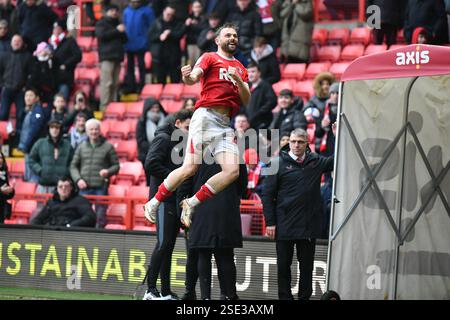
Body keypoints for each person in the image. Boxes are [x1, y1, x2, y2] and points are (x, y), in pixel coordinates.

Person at [144, 23, 250, 228]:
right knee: (190, 168)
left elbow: (246, 99)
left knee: (232, 172)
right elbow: (193, 79)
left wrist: (239, 81)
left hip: (225, 124)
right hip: (205, 117)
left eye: (235, 35)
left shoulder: (240, 68)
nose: (232, 38)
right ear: (218, 40)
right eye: (228, 35)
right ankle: (154, 202)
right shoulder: (210, 57)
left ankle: (191, 202)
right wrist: (186, 76)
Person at [262, 127, 335, 300]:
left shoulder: (315, 161)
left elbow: (335, 160)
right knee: (283, 267)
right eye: (293, 141)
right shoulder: (276, 163)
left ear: (307, 143)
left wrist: (336, 136)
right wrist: (270, 222)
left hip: (308, 225)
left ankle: (304, 298)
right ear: (289, 143)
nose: (296, 145)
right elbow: (267, 195)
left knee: (307, 268)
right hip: (284, 224)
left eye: (300, 142)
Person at [177, 158, 247, 300]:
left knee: (203, 254)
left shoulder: (196, 153)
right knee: (226, 255)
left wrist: (182, 215)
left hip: (201, 208)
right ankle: (229, 296)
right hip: (226, 208)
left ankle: (205, 297)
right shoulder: (233, 152)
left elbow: (184, 185)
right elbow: (242, 183)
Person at [142, 109, 192, 300]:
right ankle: (150, 289)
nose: (190, 130)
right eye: (187, 126)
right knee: (163, 243)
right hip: (162, 198)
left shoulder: (181, 142)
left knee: (169, 245)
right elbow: (151, 163)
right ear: (178, 123)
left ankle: (165, 290)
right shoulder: (164, 138)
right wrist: (173, 178)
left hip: (172, 198)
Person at [69, 118, 120, 228]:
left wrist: (108, 171)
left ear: (100, 130)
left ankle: (99, 239)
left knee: (100, 217)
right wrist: (78, 179)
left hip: (100, 188)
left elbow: (116, 166)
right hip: (83, 187)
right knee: (81, 216)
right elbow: (73, 166)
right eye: (91, 129)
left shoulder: (108, 146)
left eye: (96, 129)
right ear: (87, 131)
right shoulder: (81, 146)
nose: (94, 132)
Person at [28, 118, 74, 195]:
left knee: (62, 207)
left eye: (57, 127)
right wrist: (40, 171)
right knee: (42, 207)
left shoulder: (67, 145)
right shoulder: (40, 143)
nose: (54, 130)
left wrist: (66, 172)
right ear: (48, 129)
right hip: (44, 185)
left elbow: (73, 162)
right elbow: (31, 160)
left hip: (62, 186)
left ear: (60, 129)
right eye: (52, 127)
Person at [95, 4, 128, 110]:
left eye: (116, 10)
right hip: (107, 57)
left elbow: (125, 40)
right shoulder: (101, 23)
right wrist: (117, 31)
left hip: (117, 57)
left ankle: (113, 105)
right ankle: (104, 106)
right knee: (106, 83)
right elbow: (102, 36)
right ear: (107, 12)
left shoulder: (118, 24)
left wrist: (121, 32)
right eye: (112, 10)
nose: (114, 12)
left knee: (115, 83)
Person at [30, 176, 96, 227]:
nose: (63, 189)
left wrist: (70, 226)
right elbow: (39, 218)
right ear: (57, 189)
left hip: (72, 234)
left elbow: (90, 217)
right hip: (52, 233)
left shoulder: (80, 201)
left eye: (66, 186)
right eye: (60, 187)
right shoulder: (52, 202)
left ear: (71, 188)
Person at [0, 34, 32, 129]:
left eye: (19, 41)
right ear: (11, 43)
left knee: (20, 115)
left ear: (22, 43)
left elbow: (31, 74)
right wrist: (2, 85)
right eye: (15, 41)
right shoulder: (4, 55)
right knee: (3, 113)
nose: (16, 43)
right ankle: (3, 135)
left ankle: (17, 139)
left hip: (20, 91)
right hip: (6, 89)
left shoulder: (27, 56)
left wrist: (25, 87)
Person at [123, 0, 155, 93]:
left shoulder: (147, 11)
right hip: (129, 43)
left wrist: (146, 40)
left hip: (141, 44)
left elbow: (152, 27)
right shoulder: (126, 11)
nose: (135, 3)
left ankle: (141, 86)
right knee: (129, 67)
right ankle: (131, 86)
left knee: (141, 66)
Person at [148, 5, 185, 84]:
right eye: (168, 14)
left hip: (173, 57)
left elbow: (180, 34)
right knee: (160, 81)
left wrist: (169, 33)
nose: (170, 16)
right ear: (164, 11)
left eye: (172, 15)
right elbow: (150, 37)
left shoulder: (177, 23)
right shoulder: (156, 22)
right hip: (159, 57)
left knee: (175, 81)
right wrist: (160, 36)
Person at [50, 19, 82, 102]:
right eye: (54, 28)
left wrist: (66, 65)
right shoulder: (50, 43)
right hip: (52, 79)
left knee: (61, 102)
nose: (56, 30)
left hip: (64, 78)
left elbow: (78, 55)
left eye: (58, 28)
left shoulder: (70, 41)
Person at [18, 88, 46, 183]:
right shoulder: (28, 111)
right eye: (26, 96)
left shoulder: (38, 111)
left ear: (37, 98)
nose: (28, 98)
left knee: (33, 176)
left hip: (33, 148)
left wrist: (26, 145)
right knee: (28, 173)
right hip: (28, 148)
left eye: (31, 95)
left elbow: (35, 130)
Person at [136, 98, 167, 168]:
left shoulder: (166, 119)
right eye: (152, 108)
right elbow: (140, 141)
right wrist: (155, 149)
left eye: (157, 107)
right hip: (147, 156)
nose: (155, 110)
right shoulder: (142, 122)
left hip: (164, 155)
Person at [246, 62, 277, 131]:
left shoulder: (266, 86)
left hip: (262, 125)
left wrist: (260, 112)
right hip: (249, 124)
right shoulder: (248, 86)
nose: (250, 74)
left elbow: (273, 101)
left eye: (253, 72)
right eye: (248, 72)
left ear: (259, 73)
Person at [0, 150, 14, 224]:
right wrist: (1, 191)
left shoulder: (4, 173)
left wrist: (11, 191)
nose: (0, 160)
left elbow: (6, 194)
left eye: (1, 158)